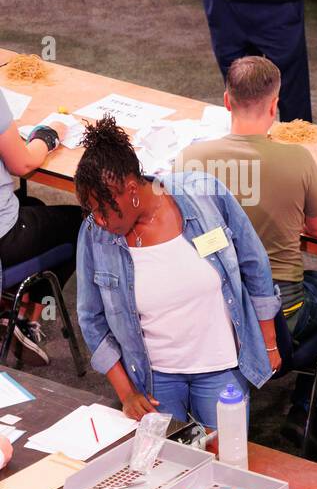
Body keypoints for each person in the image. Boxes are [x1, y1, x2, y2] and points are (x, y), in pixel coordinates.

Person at [179, 56, 317, 457]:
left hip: (212, 306)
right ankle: (306, 409)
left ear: (227, 101)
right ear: (275, 106)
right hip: (282, 308)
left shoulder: (190, 159)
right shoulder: (297, 160)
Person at [74, 117, 280, 428]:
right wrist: (127, 393)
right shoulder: (94, 235)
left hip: (222, 367)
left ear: (131, 190)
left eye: (102, 209)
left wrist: (269, 341)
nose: (98, 220)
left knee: (226, 461)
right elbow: (91, 318)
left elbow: (254, 262)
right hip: (155, 379)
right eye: (92, 211)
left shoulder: (204, 193)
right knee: (165, 467)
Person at [0, 96, 82, 367]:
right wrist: (48, 135)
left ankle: (9, 308)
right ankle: (25, 320)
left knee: (33, 205)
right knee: (80, 222)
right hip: (4, 237)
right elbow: (21, 164)